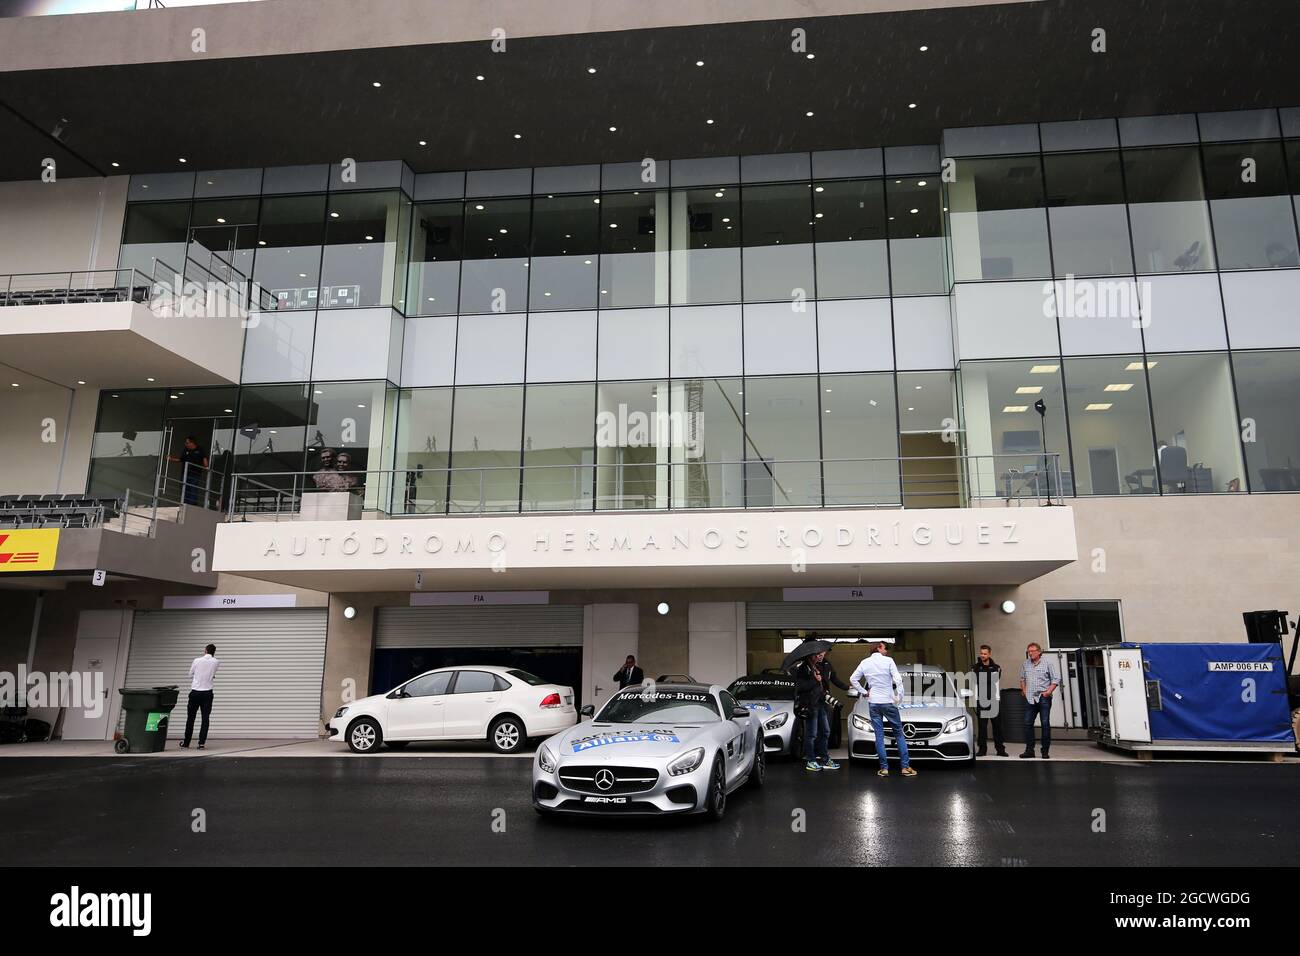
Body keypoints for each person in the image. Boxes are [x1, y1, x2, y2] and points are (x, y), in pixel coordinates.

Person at [850, 641, 916, 778]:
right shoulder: (888, 661)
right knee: (898, 734)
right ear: (879, 648)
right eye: (885, 648)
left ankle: (884, 768)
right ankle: (905, 767)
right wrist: (900, 696)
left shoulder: (864, 663)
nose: (886, 651)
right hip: (888, 701)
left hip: (874, 702)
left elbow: (853, 679)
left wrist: (864, 691)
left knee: (879, 736)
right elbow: (898, 680)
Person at [793, 649, 849, 772]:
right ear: (811, 655)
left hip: (821, 703)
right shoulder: (802, 668)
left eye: (822, 654)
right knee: (811, 734)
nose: (820, 656)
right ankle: (811, 760)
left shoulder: (820, 666)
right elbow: (799, 686)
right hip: (809, 705)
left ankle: (824, 758)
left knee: (825, 731)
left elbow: (824, 685)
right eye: (817, 654)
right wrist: (815, 680)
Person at [1019, 642, 1060, 759]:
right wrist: (1024, 690)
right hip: (1030, 698)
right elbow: (1022, 679)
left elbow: (1056, 678)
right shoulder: (1025, 664)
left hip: (1043, 698)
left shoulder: (1048, 663)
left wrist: (1048, 692)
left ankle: (1045, 751)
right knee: (1027, 724)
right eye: (1028, 651)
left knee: (1045, 724)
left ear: (1039, 652)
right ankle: (1029, 750)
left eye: (1032, 651)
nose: (1030, 653)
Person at [180, 643, 220, 750]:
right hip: (207, 693)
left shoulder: (197, 660)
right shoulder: (216, 662)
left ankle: (186, 742)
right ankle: (201, 743)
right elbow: (212, 674)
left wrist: (197, 677)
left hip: (195, 692)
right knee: (205, 718)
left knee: (191, 718)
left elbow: (190, 674)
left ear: (205, 650)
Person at [973, 644, 1007, 757]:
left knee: (997, 726)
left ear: (989, 654)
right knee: (982, 727)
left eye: (985, 653)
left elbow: (993, 679)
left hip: (994, 700)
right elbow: (977, 680)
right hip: (981, 700)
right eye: (981, 653)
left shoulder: (997, 667)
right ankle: (982, 750)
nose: (982, 655)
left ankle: (1000, 749)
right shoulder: (975, 668)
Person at [178, 436, 208, 506]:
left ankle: (192, 504)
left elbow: (204, 458)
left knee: (193, 488)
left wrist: (206, 467)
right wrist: (171, 459)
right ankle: (185, 502)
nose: (186, 444)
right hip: (185, 473)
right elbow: (181, 459)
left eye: (187, 443)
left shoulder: (200, 449)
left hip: (195, 473)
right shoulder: (186, 450)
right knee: (184, 487)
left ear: (192, 443)